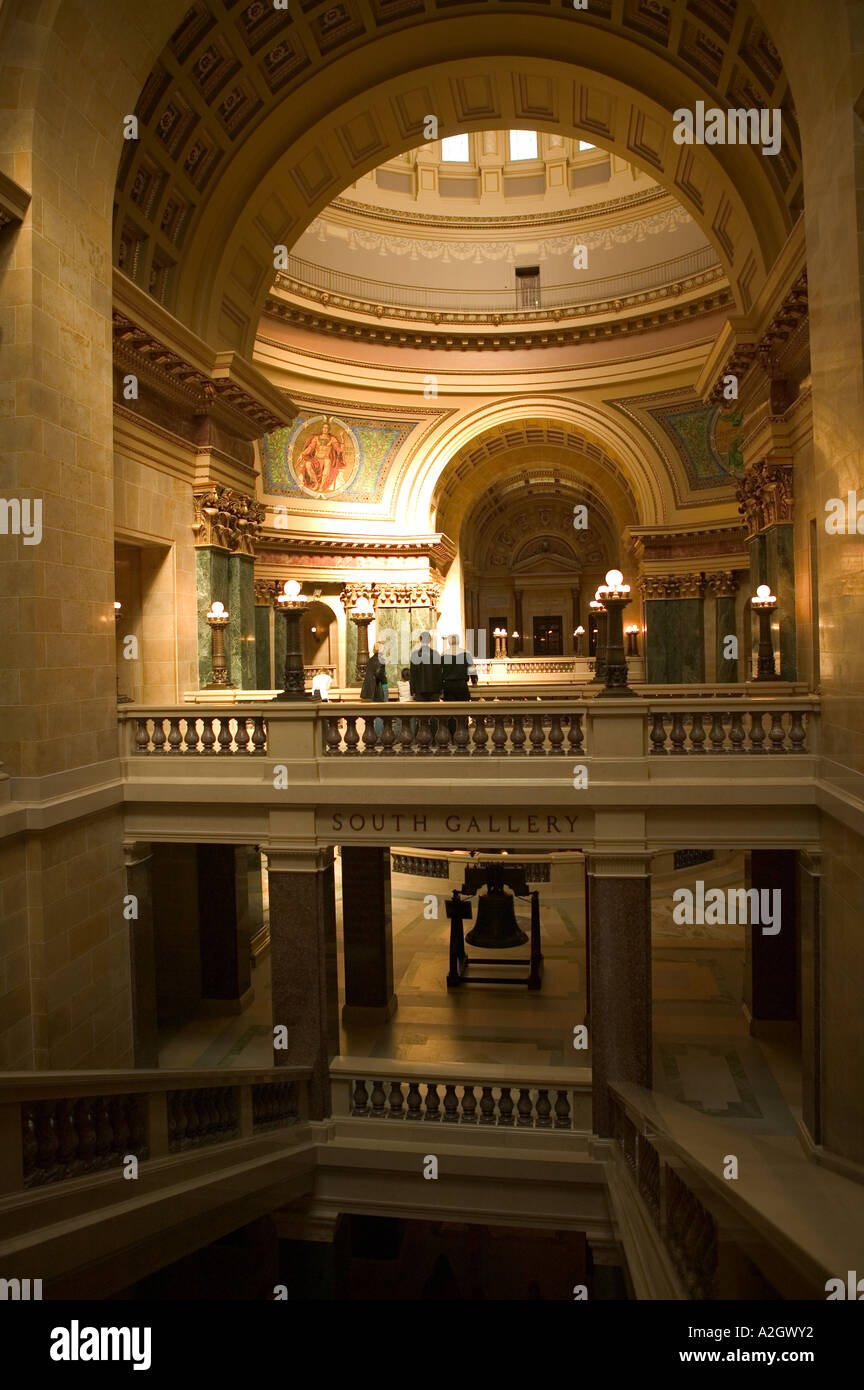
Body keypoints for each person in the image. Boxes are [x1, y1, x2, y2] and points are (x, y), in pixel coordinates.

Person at [441, 633, 478, 739]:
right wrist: (474, 682)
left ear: (448, 642)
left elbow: (440, 672)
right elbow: (471, 669)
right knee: (463, 711)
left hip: (448, 685)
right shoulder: (466, 653)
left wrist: (440, 687)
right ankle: (463, 735)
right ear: (458, 641)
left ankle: (452, 736)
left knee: (451, 712)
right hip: (462, 685)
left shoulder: (444, 654)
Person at [409, 630, 442, 739]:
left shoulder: (415, 655)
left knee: (421, 716)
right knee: (434, 716)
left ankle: (422, 739)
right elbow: (439, 673)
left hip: (419, 690)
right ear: (430, 641)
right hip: (434, 690)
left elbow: (412, 675)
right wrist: (440, 690)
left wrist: (412, 691)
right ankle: (434, 738)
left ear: (420, 640)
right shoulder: (435, 654)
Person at [359, 643, 388, 737]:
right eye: (383, 647)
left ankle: (372, 735)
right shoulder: (381, 659)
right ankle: (379, 737)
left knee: (374, 715)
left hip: (371, 689)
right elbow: (379, 674)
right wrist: (384, 679)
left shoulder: (371, 659)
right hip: (380, 687)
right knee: (381, 714)